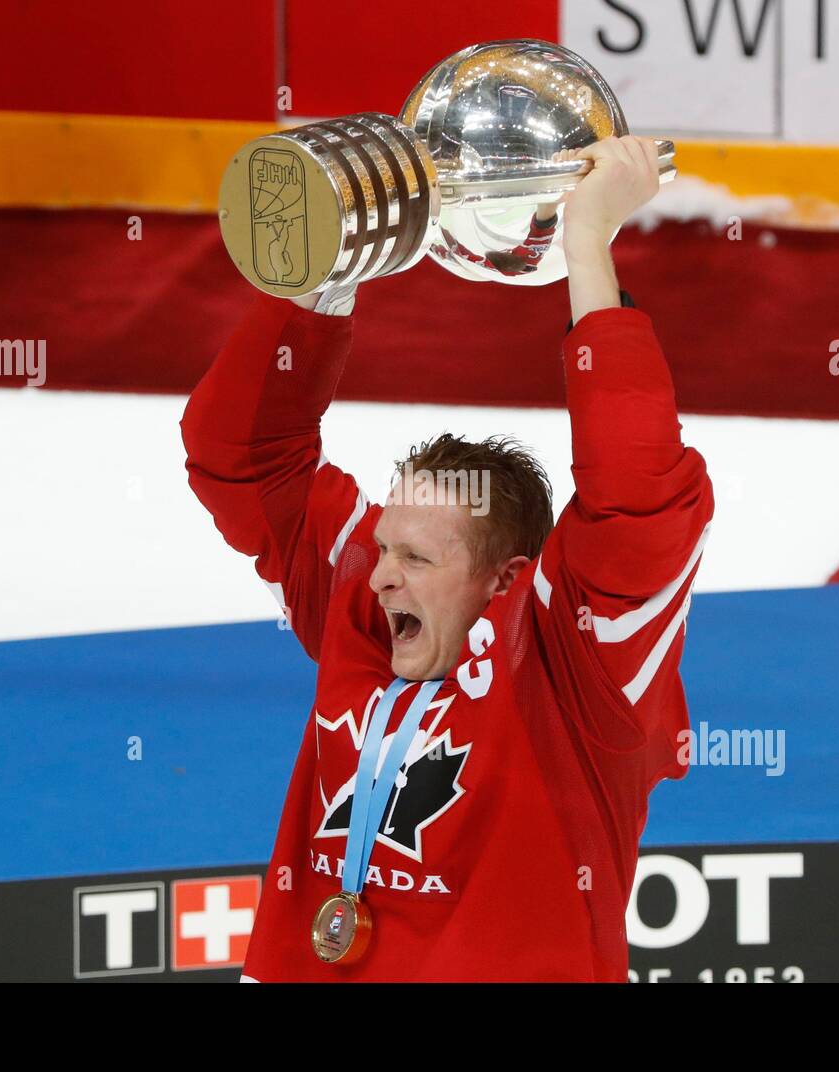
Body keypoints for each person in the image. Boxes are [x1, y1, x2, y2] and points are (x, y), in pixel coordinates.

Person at [180, 135, 714, 981]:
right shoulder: (365, 611)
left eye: (418, 559)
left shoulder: (581, 673)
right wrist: (336, 264)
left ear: (506, 583)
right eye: (384, 547)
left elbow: (638, 496)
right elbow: (237, 455)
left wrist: (587, 246)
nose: (380, 574)